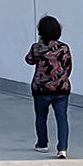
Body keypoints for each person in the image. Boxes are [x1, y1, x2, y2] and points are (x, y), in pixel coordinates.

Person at [26, 16, 72, 157]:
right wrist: (61, 79)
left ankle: (42, 143)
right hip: (61, 89)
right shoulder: (63, 48)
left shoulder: (36, 48)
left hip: (41, 89)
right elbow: (68, 67)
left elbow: (29, 60)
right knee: (62, 118)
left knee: (41, 116)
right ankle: (62, 148)